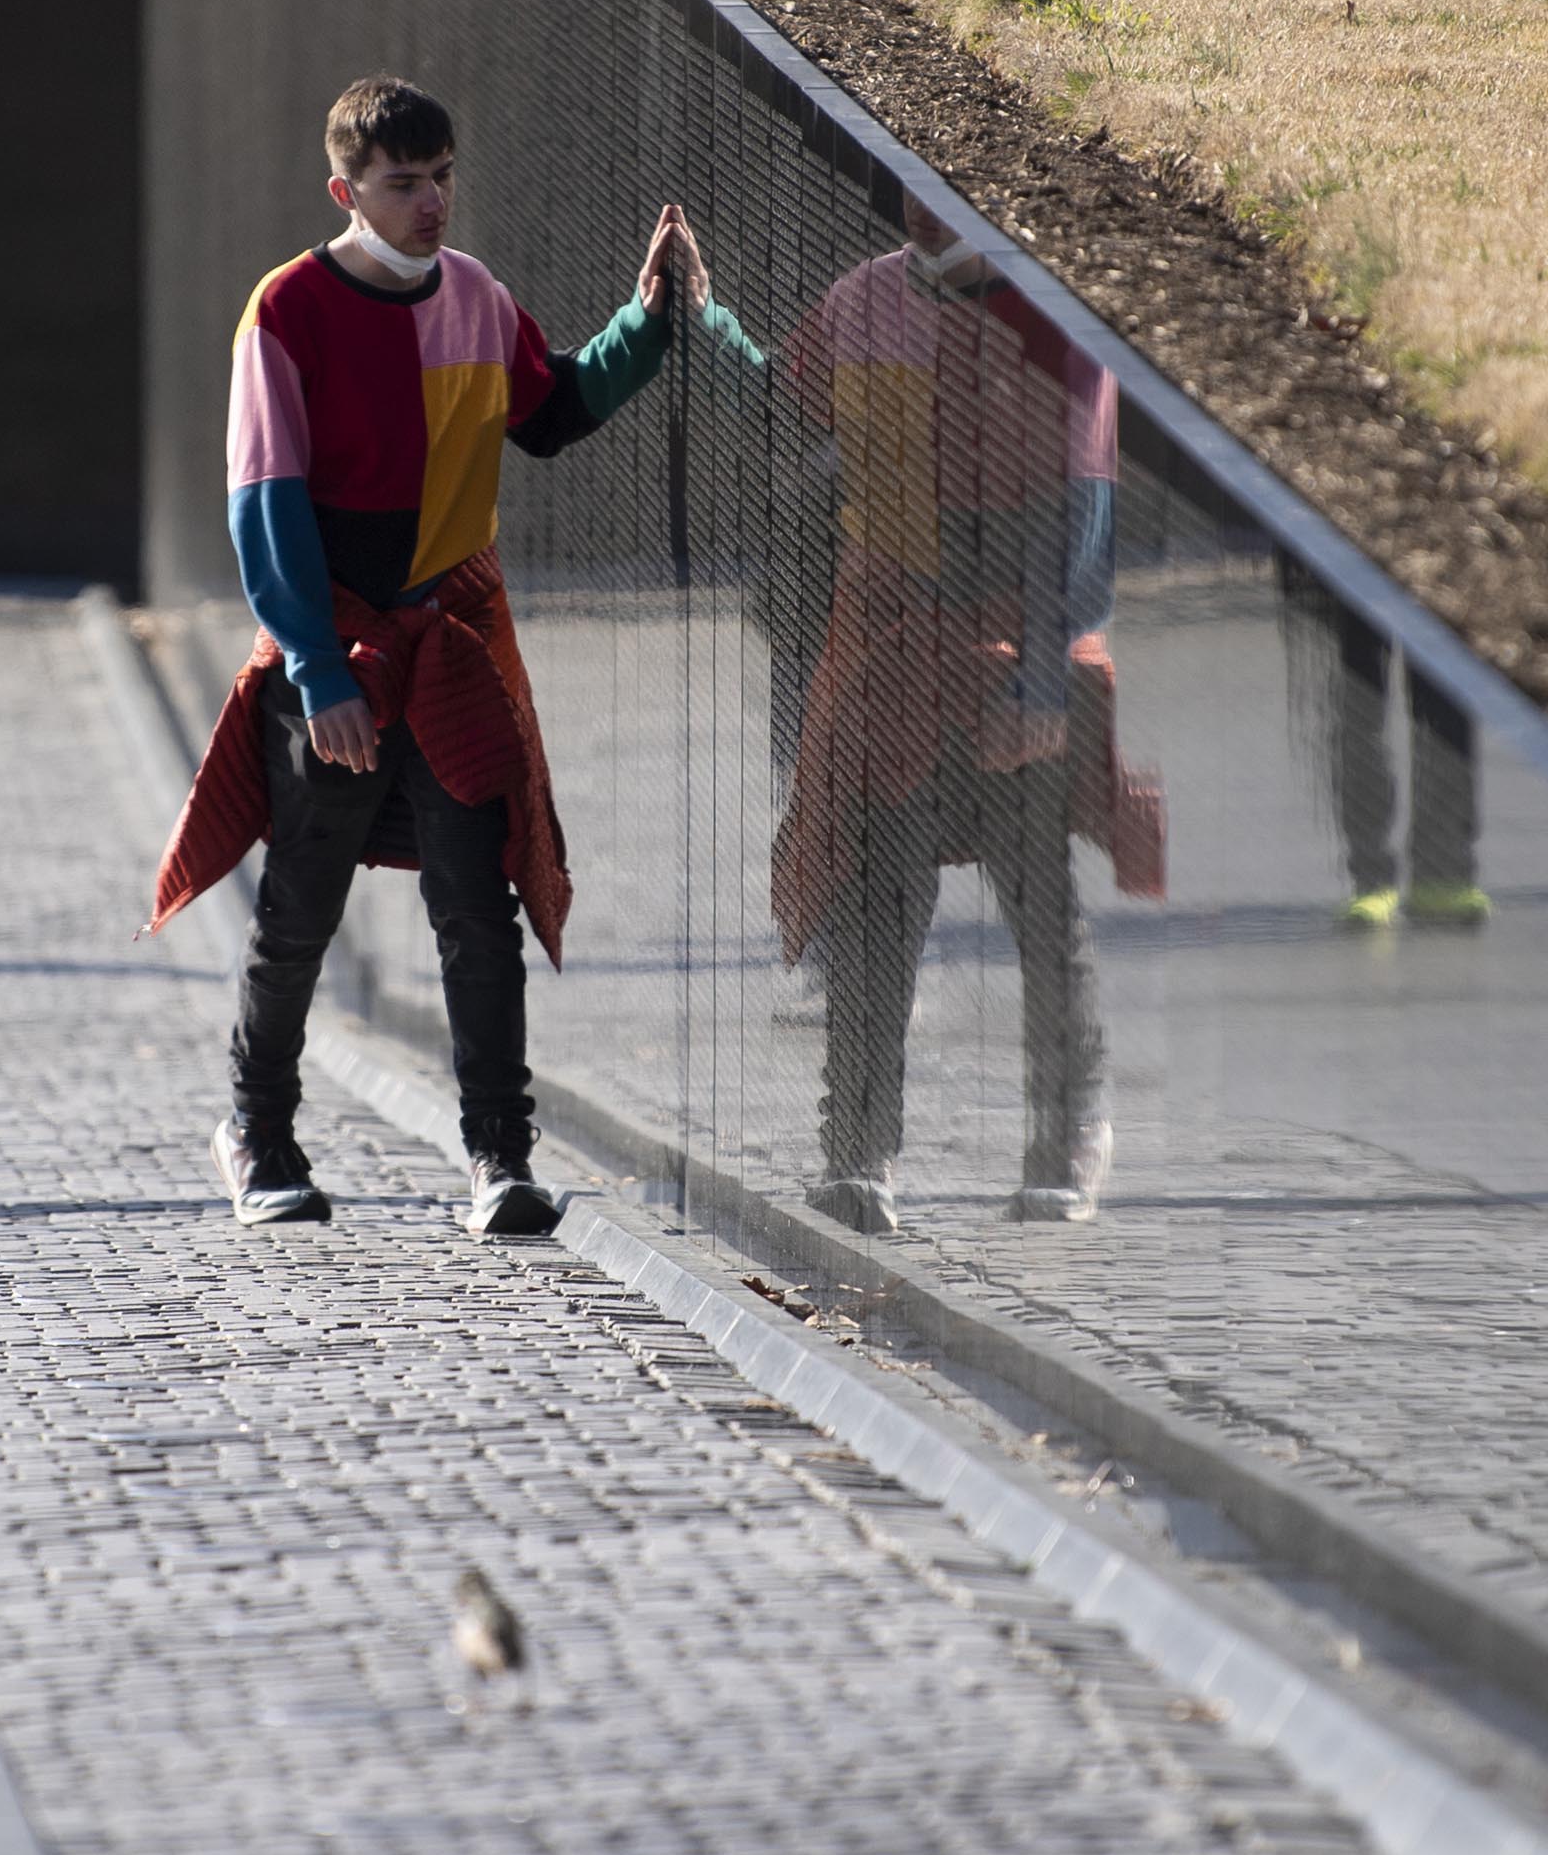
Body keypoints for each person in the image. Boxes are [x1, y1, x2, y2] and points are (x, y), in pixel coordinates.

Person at [143, 77, 696, 1238]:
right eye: (404, 183)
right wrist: (317, 670)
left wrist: (644, 324)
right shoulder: (286, 310)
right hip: (337, 650)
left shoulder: (479, 296)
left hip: (449, 646)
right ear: (347, 192)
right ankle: (258, 1133)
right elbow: (264, 504)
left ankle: (500, 1158)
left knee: (475, 908)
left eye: (443, 176)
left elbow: (549, 413)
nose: (432, 200)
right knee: (301, 908)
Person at [764, 198, 1160, 1235]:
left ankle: (1066, 1134)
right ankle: (856, 1153)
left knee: (1038, 904)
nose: (922, 202)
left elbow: (1085, 509)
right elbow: (778, 404)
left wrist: (1038, 681)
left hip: (1016, 648)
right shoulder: (866, 298)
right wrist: (698, 321)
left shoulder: (1053, 313)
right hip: (896, 658)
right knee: (877, 905)